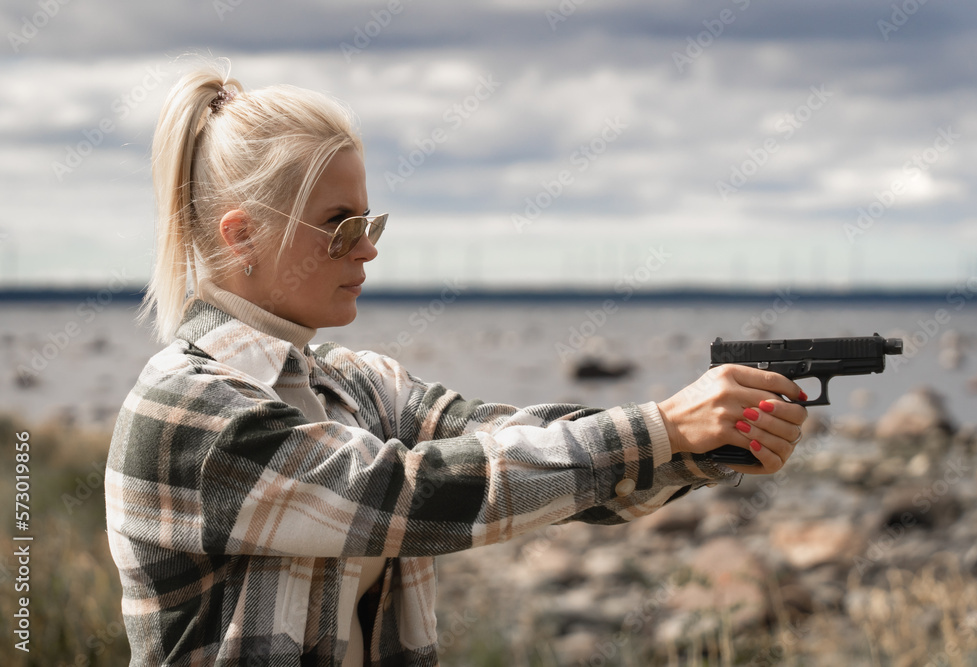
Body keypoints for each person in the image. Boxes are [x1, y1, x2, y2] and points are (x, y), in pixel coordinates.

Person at [105, 61, 808, 667]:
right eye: (342, 224)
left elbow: (512, 440)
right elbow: (403, 496)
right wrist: (663, 427)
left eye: (371, 224)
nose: (368, 250)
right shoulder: (191, 409)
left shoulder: (358, 383)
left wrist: (708, 441)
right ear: (244, 233)